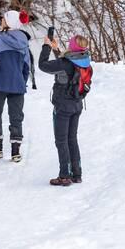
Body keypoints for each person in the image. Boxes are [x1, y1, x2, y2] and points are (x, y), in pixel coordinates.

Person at [0, 9, 34, 162]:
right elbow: (26, 67)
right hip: (17, 86)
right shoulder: (24, 42)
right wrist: (21, 82)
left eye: (4, 18)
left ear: (9, 22)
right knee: (16, 117)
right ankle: (15, 151)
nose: (1, 20)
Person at [39, 33, 92, 186]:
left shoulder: (64, 63)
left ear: (73, 47)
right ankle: (77, 174)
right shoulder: (85, 62)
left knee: (61, 141)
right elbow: (67, 63)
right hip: (77, 105)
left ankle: (64, 176)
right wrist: (56, 49)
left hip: (62, 107)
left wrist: (46, 47)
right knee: (72, 139)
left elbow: (43, 65)